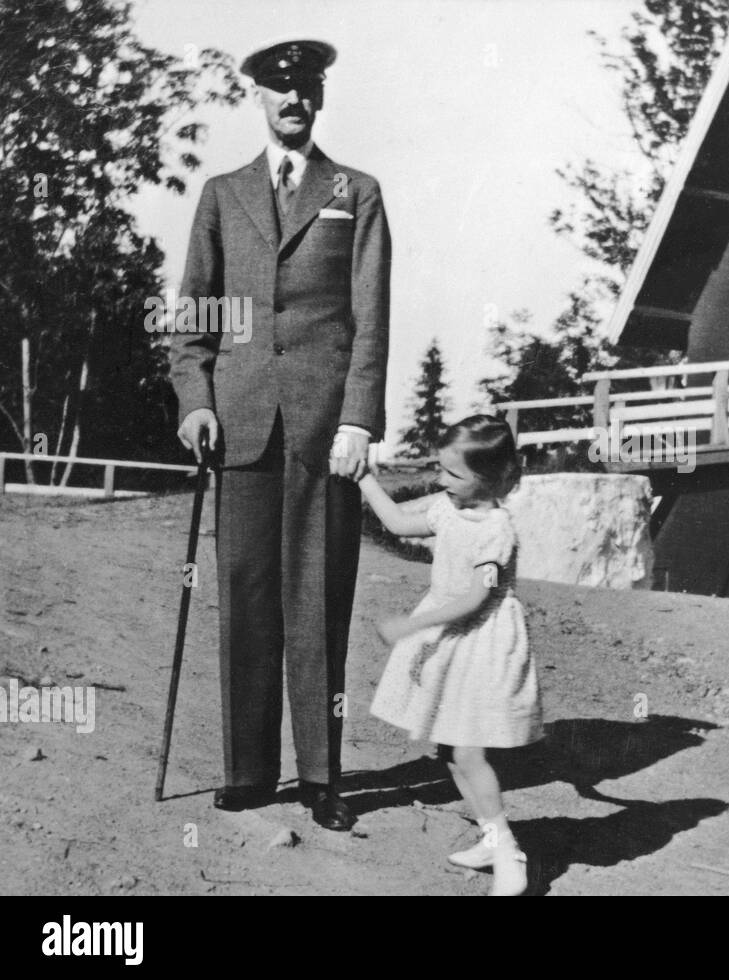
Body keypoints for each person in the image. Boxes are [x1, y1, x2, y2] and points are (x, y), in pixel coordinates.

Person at [169, 38, 391, 831]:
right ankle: (249, 770)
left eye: (306, 89)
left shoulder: (355, 193)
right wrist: (196, 399)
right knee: (249, 596)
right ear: (259, 98)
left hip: (325, 428)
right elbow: (192, 316)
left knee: (319, 598)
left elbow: (369, 317)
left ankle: (322, 775)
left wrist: (360, 415)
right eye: (279, 89)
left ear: (321, 98)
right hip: (241, 425)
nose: (293, 100)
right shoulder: (222, 194)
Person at [358, 415, 541, 896]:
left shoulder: (497, 529)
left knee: (468, 750)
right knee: (450, 750)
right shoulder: (445, 508)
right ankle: (491, 834)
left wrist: (411, 625)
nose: (442, 480)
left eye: (454, 474)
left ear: (493, 477)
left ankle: (509, 854)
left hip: (483, 641)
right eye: (440, 469)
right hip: (450, 638)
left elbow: (475, 599)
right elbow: (397, 521)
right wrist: (365, 479)